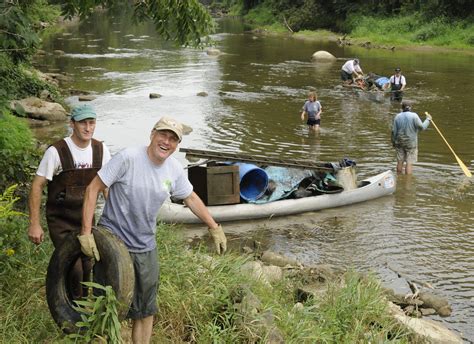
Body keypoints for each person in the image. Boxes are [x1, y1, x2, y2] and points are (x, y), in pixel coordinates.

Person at [80, 116, 227, 344]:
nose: (166, 142)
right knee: (108, 304)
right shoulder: (128, 158)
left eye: (172, 139)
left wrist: (214, 227)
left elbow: (190, 197)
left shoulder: (174, 170)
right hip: (113, 242)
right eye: (163, 135)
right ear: (152, 134)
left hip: (145, 246)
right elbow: (93, 189)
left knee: (146, 309)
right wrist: (86, 232)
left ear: (177, 144)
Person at [27, 104, 111, 299]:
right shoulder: (57, 151)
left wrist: (115, 217)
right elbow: (37, 186)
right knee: (75, 269)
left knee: (88, 264)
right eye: (83, 123)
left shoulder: (101, 149)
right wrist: (34, 224)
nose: (88, 128)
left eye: (92, 123)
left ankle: (82, 306)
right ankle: (72, 312)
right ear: (72, 123)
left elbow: (107, 186)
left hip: (87, 219)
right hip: (61, 221)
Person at [391, 101, 431, 174]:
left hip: (399, 142)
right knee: (409, 163)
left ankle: (399, 179)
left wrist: (393, 142)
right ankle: (407, 182)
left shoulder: (397, 116)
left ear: (402, 108)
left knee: (400, 161)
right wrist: (428, 120)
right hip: (411, 143)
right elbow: (422, 127)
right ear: (410, 107)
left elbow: (394, 131)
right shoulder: (414, 116)